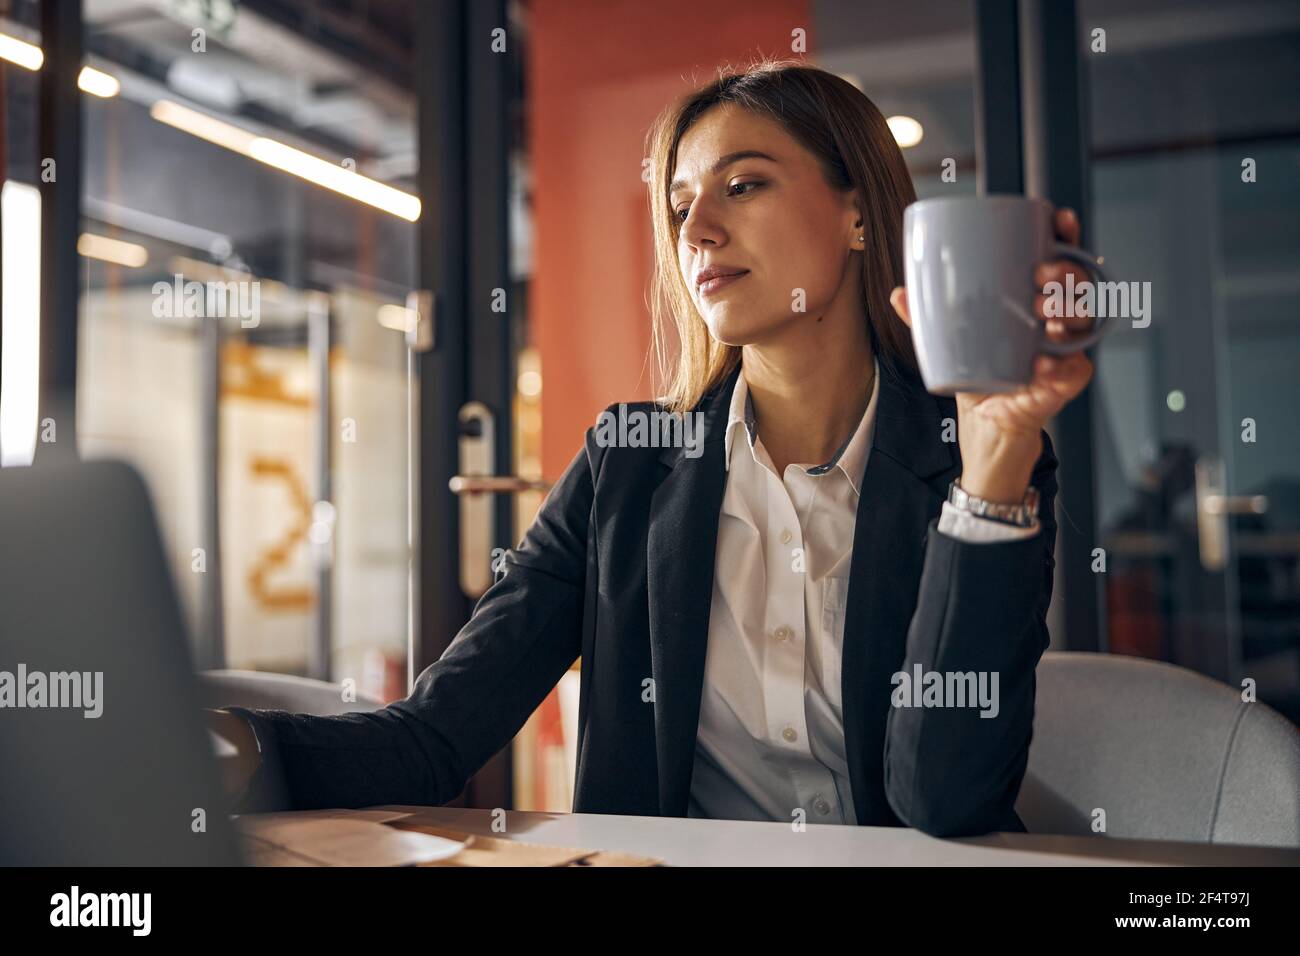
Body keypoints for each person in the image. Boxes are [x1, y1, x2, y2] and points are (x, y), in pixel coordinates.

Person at [209, 59, 1098, 838]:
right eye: (679, 206)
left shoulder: (973, 458)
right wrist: (221, 740)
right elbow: (433, 741)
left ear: (859, 217)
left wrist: (996, 458)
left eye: (743, 186)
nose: (696, 231)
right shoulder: (625, 465)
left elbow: (941, 800)